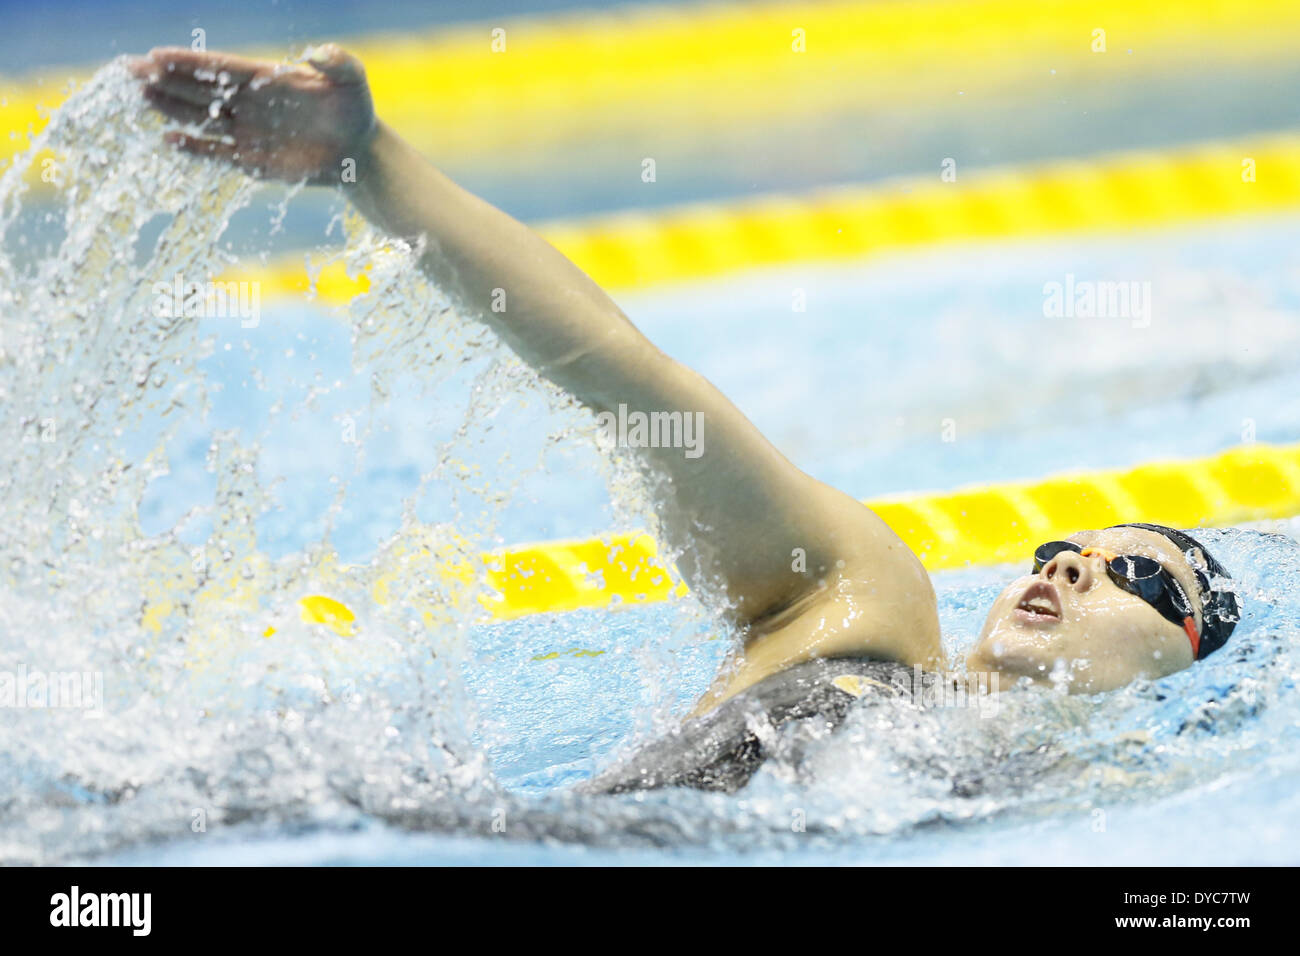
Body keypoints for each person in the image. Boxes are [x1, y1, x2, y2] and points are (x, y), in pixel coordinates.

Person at [128, 44, 1241, 793]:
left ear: (1182, 659)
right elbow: (627, 376)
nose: (1069, 569)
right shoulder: (865, 598)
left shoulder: (1080, 808)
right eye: (1060, 549)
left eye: (1135, 575)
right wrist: (372, 165)